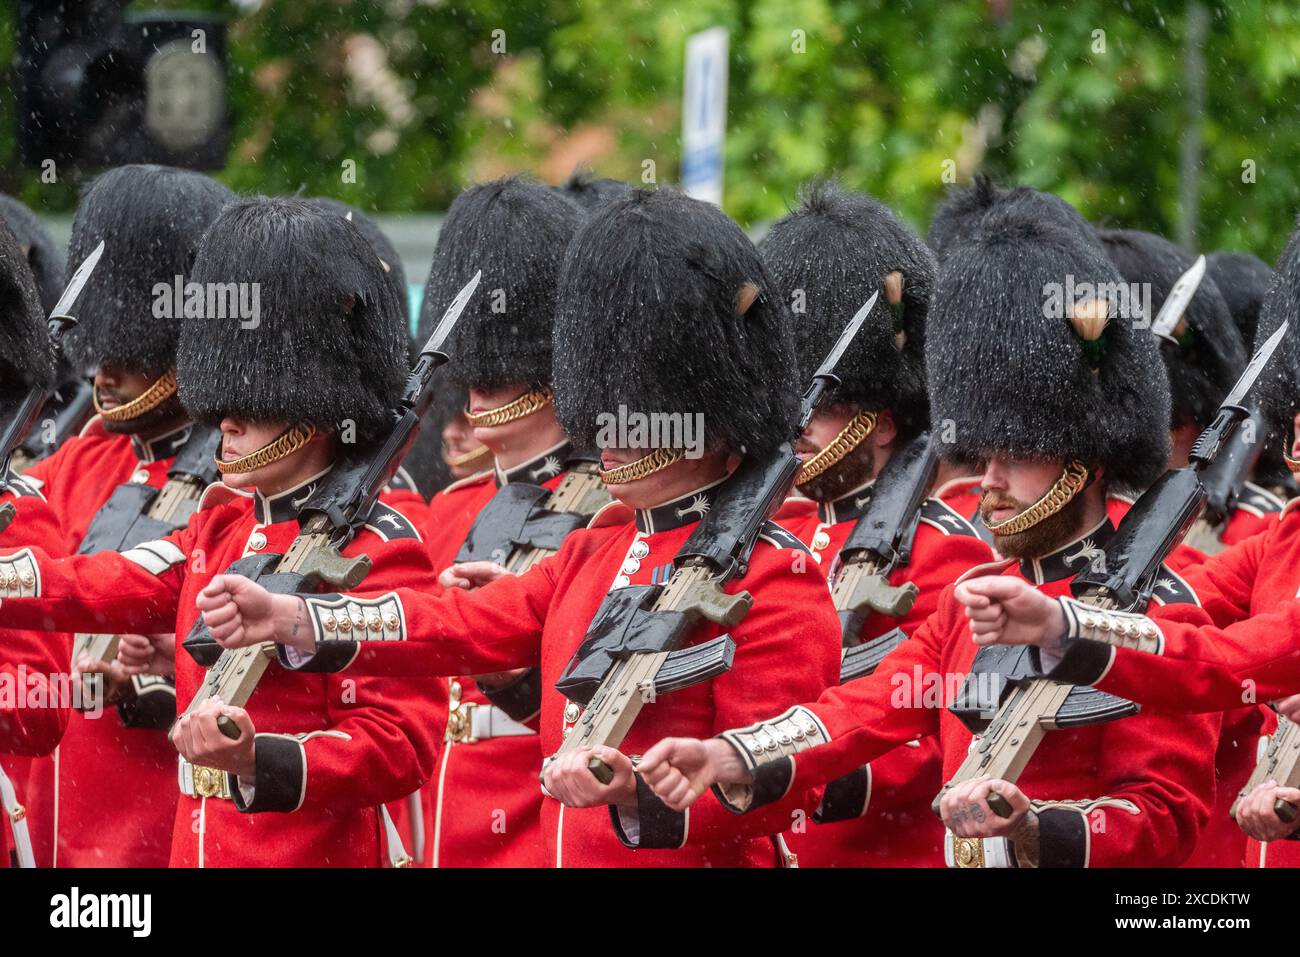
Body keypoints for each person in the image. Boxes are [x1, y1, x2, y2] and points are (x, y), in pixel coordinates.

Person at [191, 187, 843, 868]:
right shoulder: (595, 552)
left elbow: (785, 782)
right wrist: (298, 617)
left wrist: (639, 794)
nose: (605, 435)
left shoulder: (776, 573)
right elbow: (453, 622)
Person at [622, 195, 1221, 868]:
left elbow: (1166, 811)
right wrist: (731, 752)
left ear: (1083, 460)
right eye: (986, 454)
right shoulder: (971, 603)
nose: (988, 478)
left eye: (1017, 455)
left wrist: (1034, 827)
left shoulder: (1161, 614)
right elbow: (860, 711)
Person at [0, 197, 442, 867]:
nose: (224, 422)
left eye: (251, 404)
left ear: (310, 407)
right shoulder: (224, 525)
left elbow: (401, 742)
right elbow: (111, 580)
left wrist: (258, 756)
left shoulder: (379, 546)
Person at [759, 180, 991, 866]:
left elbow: (935, 738)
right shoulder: (779, 541)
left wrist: (794, 779)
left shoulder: (945, 553)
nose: (798, 426)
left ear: (881, 419)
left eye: (822, 409)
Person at [11, 165, 232, 868]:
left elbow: (148, 583)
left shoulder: (234, 478)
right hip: (55, 815)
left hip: (154, 816)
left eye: (130, 352)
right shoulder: (86, 459)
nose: (105, 372)